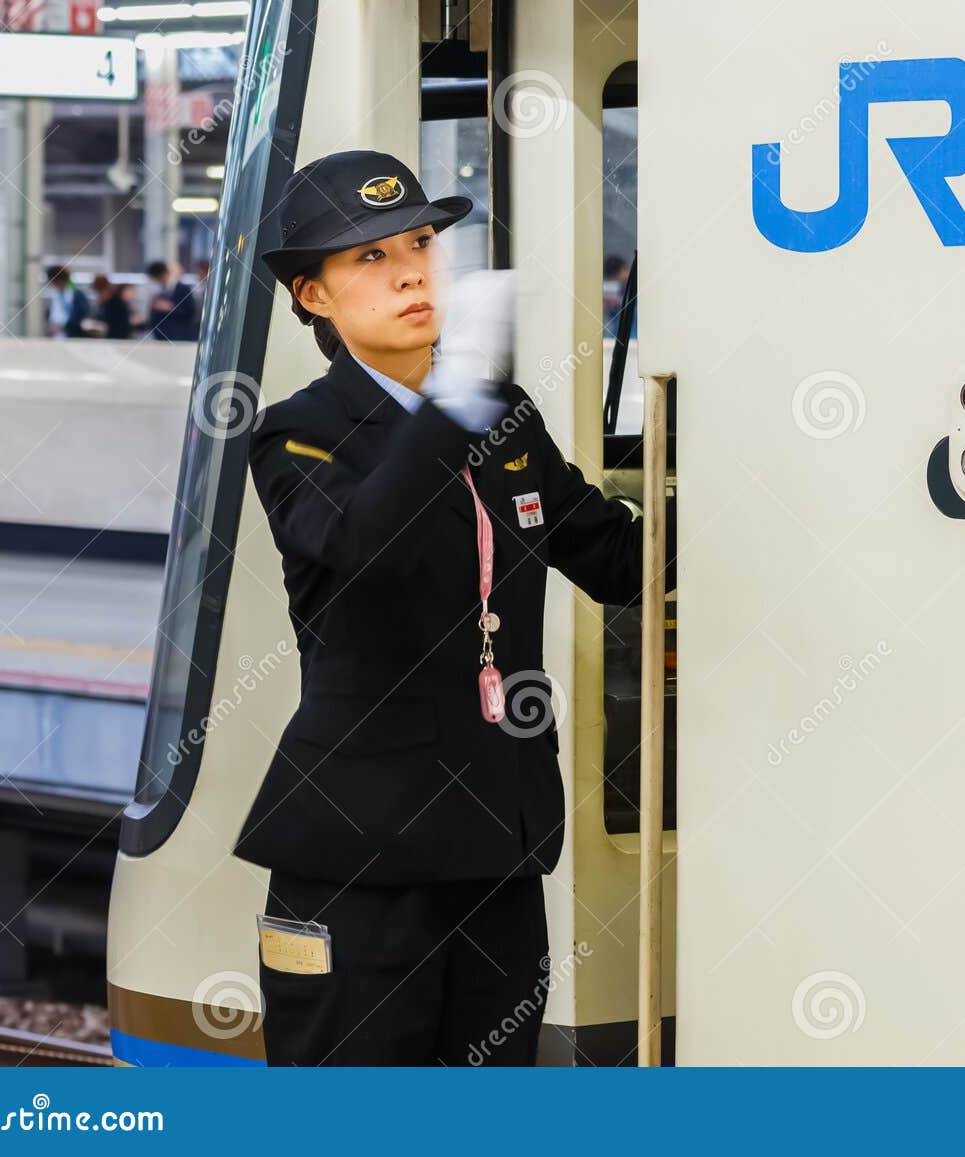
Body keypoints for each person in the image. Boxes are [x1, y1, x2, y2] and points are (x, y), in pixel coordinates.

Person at [236, 149, 672, 1066]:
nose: (410, 272)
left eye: (421, 244)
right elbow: (365, 544)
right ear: (313, 296)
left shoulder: (500, 414)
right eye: (370, 256)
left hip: (496, 841)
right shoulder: (296, 434)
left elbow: (611, 559)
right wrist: (454, 393)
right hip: (359, 857)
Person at [143, 260, 198, 341]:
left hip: (178, 335)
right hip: (160, 335)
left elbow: (190, 311)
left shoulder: (183, 288)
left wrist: (170, 307)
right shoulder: (158, 290)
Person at [44, 265, 90, 339]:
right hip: (57, 337)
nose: (51, 285)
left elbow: (83, 320)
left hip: (73, 337)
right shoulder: (56, 294)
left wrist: (63, 327)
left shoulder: (77, 295)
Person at [90, 274, 135, 340]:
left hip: (118, 338)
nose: (98, 296)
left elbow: (118, 326)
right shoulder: (111, 301)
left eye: (99, 293)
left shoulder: (115, 303)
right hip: (116, 337)